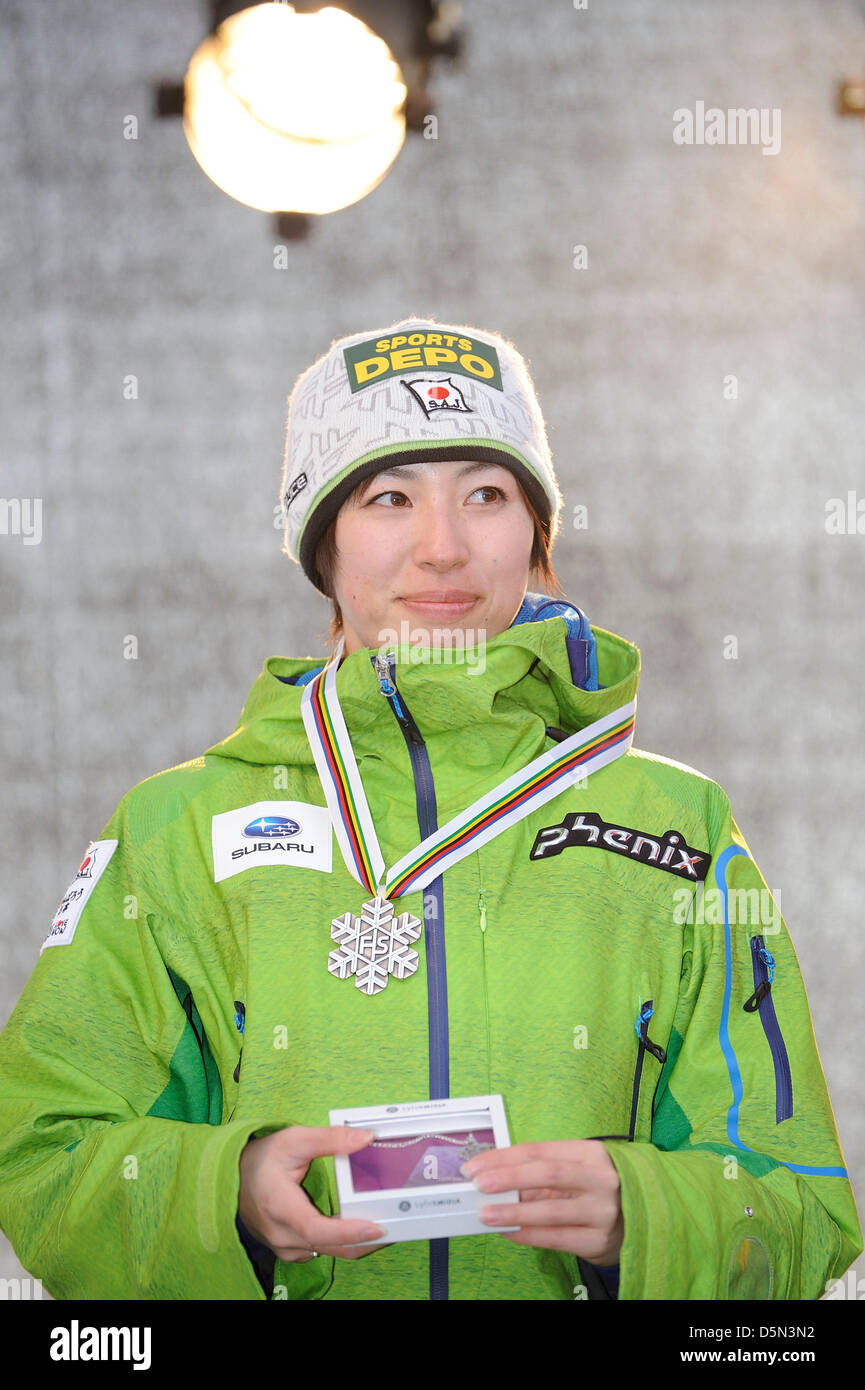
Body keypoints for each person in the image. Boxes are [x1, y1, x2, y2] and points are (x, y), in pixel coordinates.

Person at [0, 316, 860, 1302]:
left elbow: (804, 1208)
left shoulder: (680, 828)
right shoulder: (175, 830)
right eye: (389, 496)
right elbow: (39, 1157)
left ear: (535, 535)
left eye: (486, 495)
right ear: (320, 540)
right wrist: (225, 1190)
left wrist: (648, 1210)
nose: (441, 548)